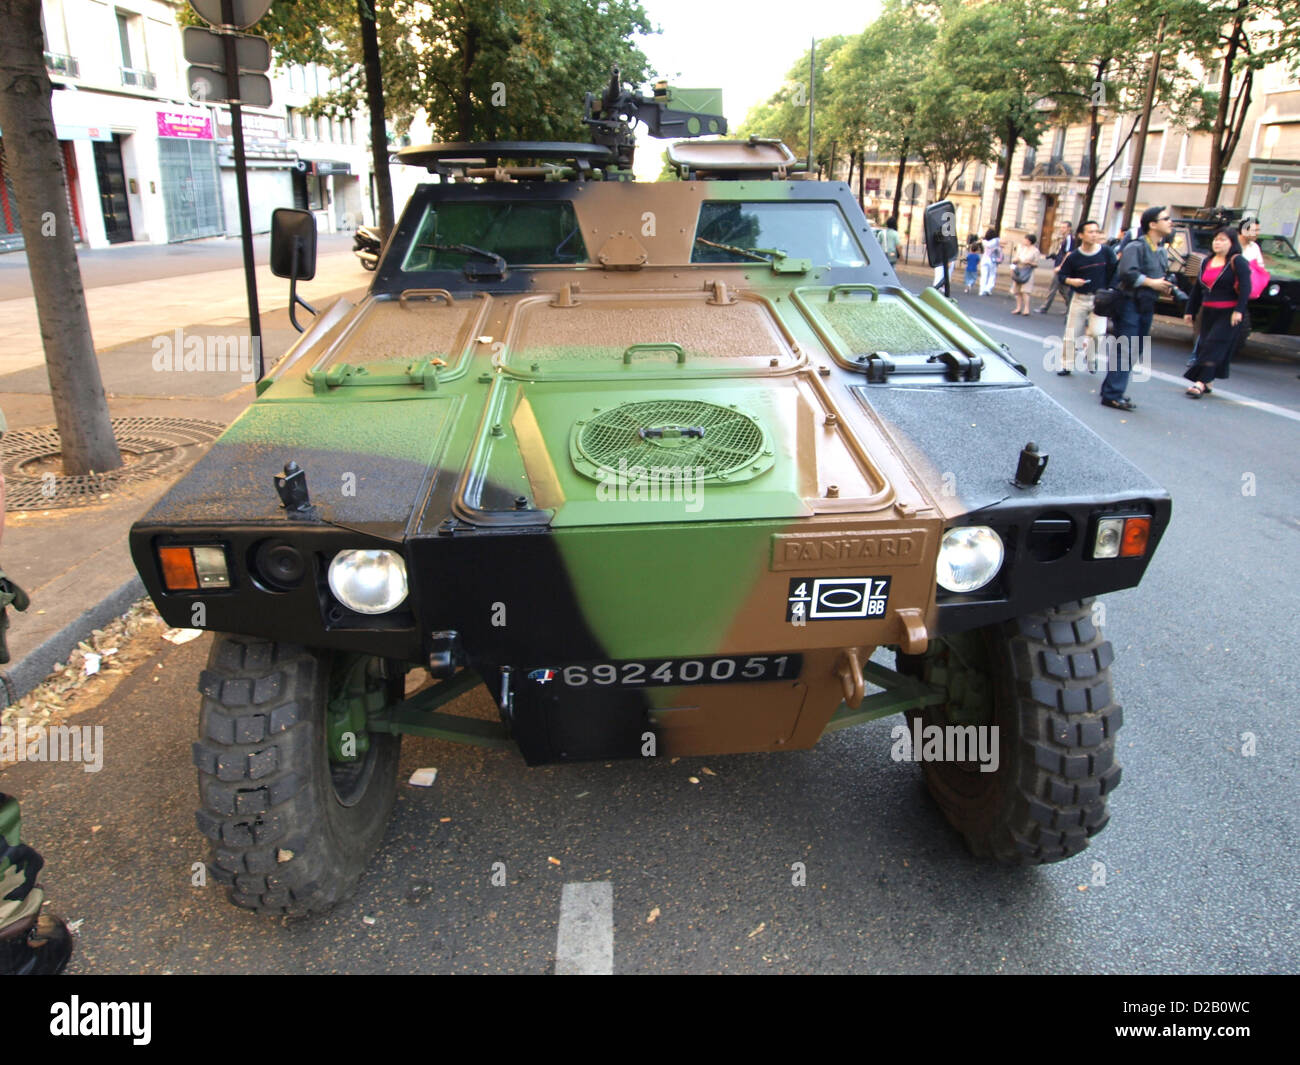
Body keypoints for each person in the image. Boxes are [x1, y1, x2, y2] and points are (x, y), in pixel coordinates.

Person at [1100, 205, 1175, 411]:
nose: (1170, 222)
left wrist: (1165, 285)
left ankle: (1111, 390)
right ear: (1152, 224)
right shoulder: (1135, 247)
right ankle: (1112, 394)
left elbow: (1157, 276)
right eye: (1166, 218)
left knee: (1134, 350)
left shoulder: (1160, 250)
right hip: (1129, 304)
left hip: (1146, 304)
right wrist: (1152, 283)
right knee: (1126, 348)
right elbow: (1128, 274)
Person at [1182, 226, 1251, 397]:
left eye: (1222, 239)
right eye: (1215, 239)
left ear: (1232, 242)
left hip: (1228, 313)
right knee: (1205, 344)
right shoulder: (1206, 262)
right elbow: (1198, 289)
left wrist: (1239, 310)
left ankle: (1199, 383)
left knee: (1214, 346)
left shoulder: (1238, 261)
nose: (1217, 243)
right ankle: (1208, 380)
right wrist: (1190, 310)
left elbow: (1245, 288)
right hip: (1208, 312)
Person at [1056, 220, 1117, 374]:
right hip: (1080, 298)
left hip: (1101, 300)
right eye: (1090, 232)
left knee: (1097, 333)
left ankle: (1091, 358)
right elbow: (1062, 275)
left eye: (1096, 231)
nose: (1094, 235)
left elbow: (1114, 272)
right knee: (1072, 334)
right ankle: (1066, 365)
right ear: (1081, 235)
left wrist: (1111, 291)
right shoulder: (1074, 257)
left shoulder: (1106, 252)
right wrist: (1072, 281)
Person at [1036, 220, 1076, 313]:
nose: (1062, 229)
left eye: (1064, 227)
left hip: (1061, 268)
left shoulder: (1069, 238)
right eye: (1061, 227)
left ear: (1069, 228)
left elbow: (1068, 253)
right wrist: (1052, 256)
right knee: (1063, 290)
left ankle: (1044, 308)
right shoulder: (1064, 238)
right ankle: (1071, 309)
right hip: (1060, 266)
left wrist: (1061, 266)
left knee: (1053, 287)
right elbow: (1061, 253)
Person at [1009, 233, 1041, 314]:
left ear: (1030, 241)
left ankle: (1026, 309)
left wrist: (1029, 262)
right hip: (1019, 270)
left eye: (1026, 239)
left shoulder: (1035, 251)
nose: (1024, 241)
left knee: (1025, 291)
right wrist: (1015, 260)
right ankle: (1018, 307)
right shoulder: (1021, 248)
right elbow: (1016, 257)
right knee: (1017, 291)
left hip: (1027, 271)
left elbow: (1036, 264)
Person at [978, 227, 1001, 295]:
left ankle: (982, 290)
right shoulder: (996, 241)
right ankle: (988, 288)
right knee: (992, 275)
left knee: (983, 275)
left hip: (984, 258)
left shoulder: (984, 241)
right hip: (992, 259)